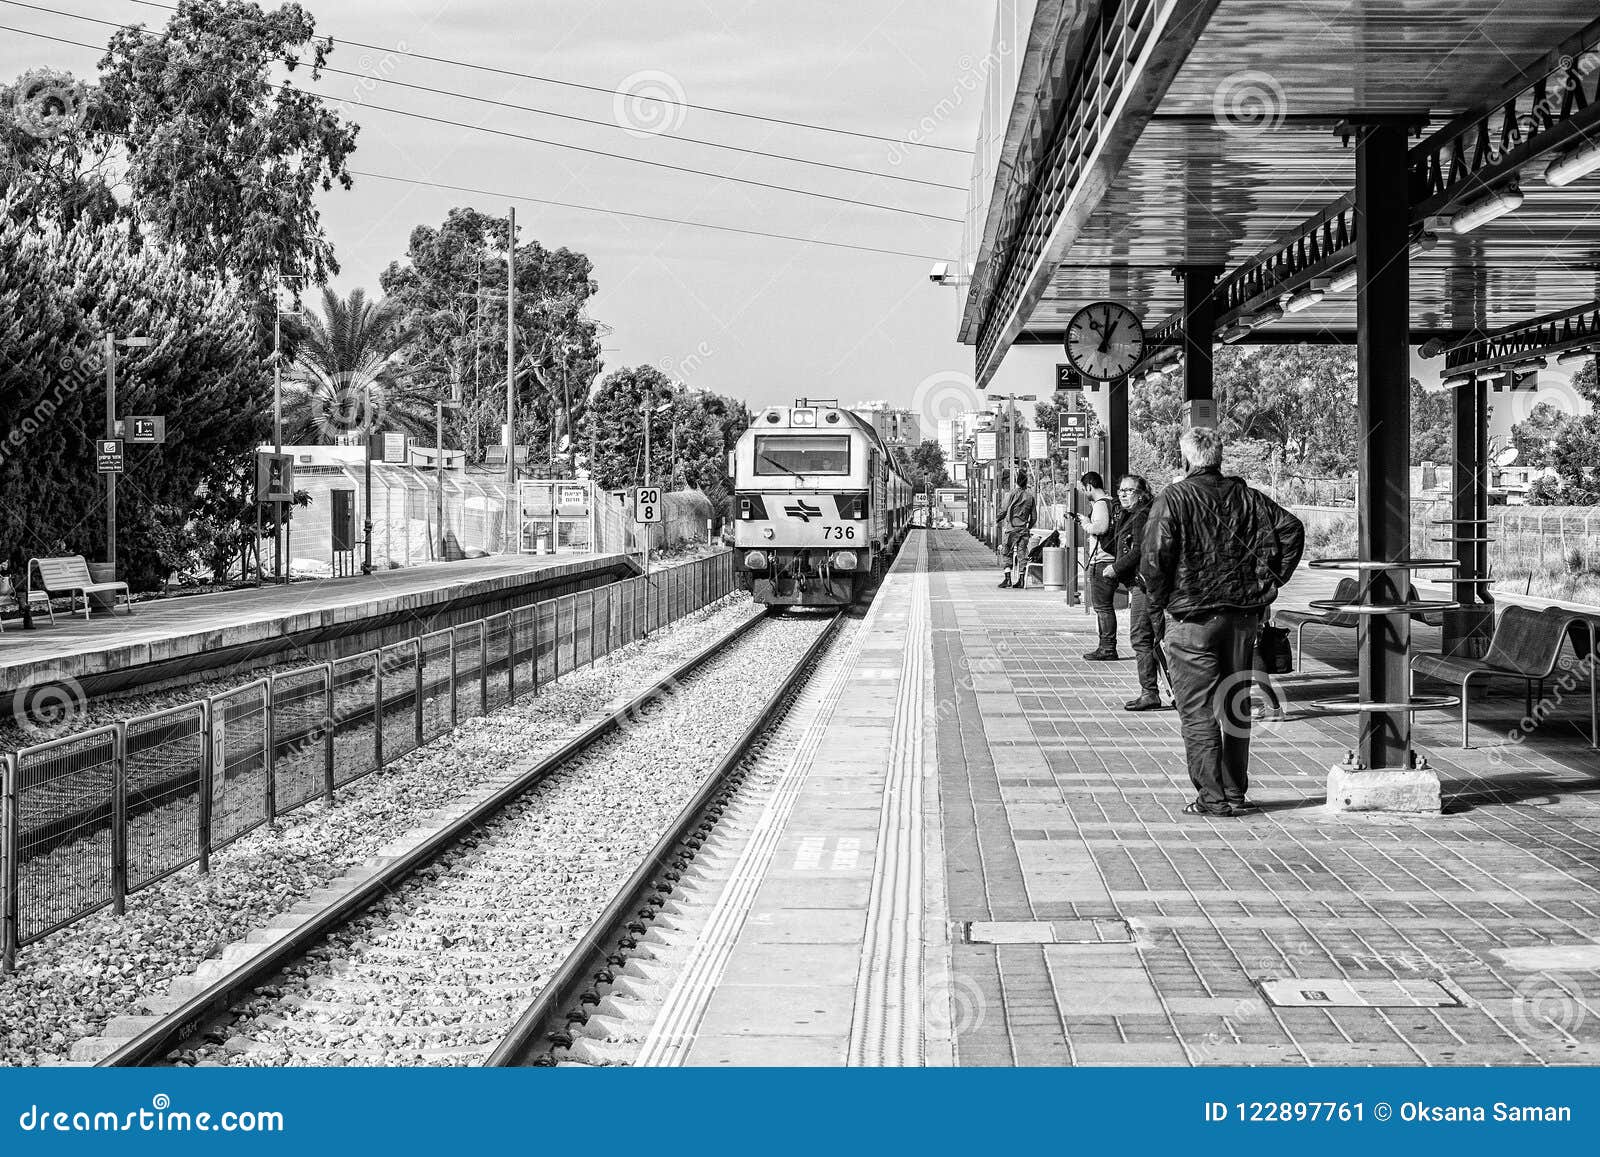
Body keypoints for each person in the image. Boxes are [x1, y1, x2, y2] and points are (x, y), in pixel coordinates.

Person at [1140, 427, 1305, 818]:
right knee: (1233, 706)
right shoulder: (1248, 498)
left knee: (1197, 710)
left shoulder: (1173, 500)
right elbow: (1292, 529)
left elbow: (1154, 560)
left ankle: (1212, 798)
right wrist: (1269, 582)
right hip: (1243, 618)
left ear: (1185, 459)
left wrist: (1159, 604)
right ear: (1219, 457)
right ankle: (1234, 792)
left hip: (1192, 618)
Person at [1105, 475, 1163, 711]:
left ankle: (1149, 692)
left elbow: (1138, 550)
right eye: (1120, 490)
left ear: (1142, 493)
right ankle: (1165, 690)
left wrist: (1116, 568)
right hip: (1142, 584)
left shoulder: (1142, 515)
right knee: (1155, 636)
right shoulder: (1132, 514)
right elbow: (1112, 544)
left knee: (1141, 637)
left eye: (1129, 491)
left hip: (1143, 585)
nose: (1123, 494)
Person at [1076, 471, 1120, 659]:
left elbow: (1101, 528)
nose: (1084, 493)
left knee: (1102, 607)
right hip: (1108, 559)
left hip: (1102, 560)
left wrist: (1086, 524)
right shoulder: (1110, 501)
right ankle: (1107, 646)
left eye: (1084, 490)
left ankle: (1107, 648)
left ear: (1089, 487)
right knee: (1104, 606)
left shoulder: (1101, 504)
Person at [996, 468, 1037, 589]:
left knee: (1006, 552)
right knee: (1022, 554)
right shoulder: (1030, 497)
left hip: (1011, 529)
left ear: (1017, 482)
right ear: (1026, 483)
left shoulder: (1011, 494)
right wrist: (1028, 527)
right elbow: (1034, 517)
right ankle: (1021, 580)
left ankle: (1007, 578)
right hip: (1023, 530)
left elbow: (1003, 509)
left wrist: (998, 518)